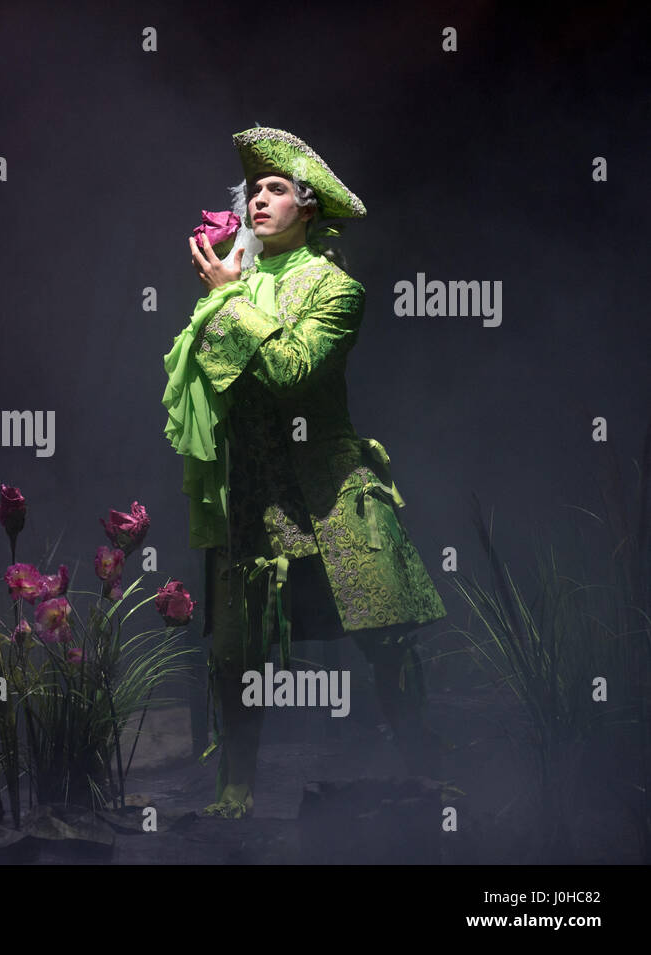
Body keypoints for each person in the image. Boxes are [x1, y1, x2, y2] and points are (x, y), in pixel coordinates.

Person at [162, 126, 447, 818]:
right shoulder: (239, 276)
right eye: (253, 189)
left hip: (331, 490)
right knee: (235, 652)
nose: (258, 198)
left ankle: (430, 775)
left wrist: (227, 301)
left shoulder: (336, 289)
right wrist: (226, 295)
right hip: (256, 494)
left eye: (275, 188)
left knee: (387, 635)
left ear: (308, 206)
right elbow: (204, 376)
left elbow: (290, 372)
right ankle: (235, 790)